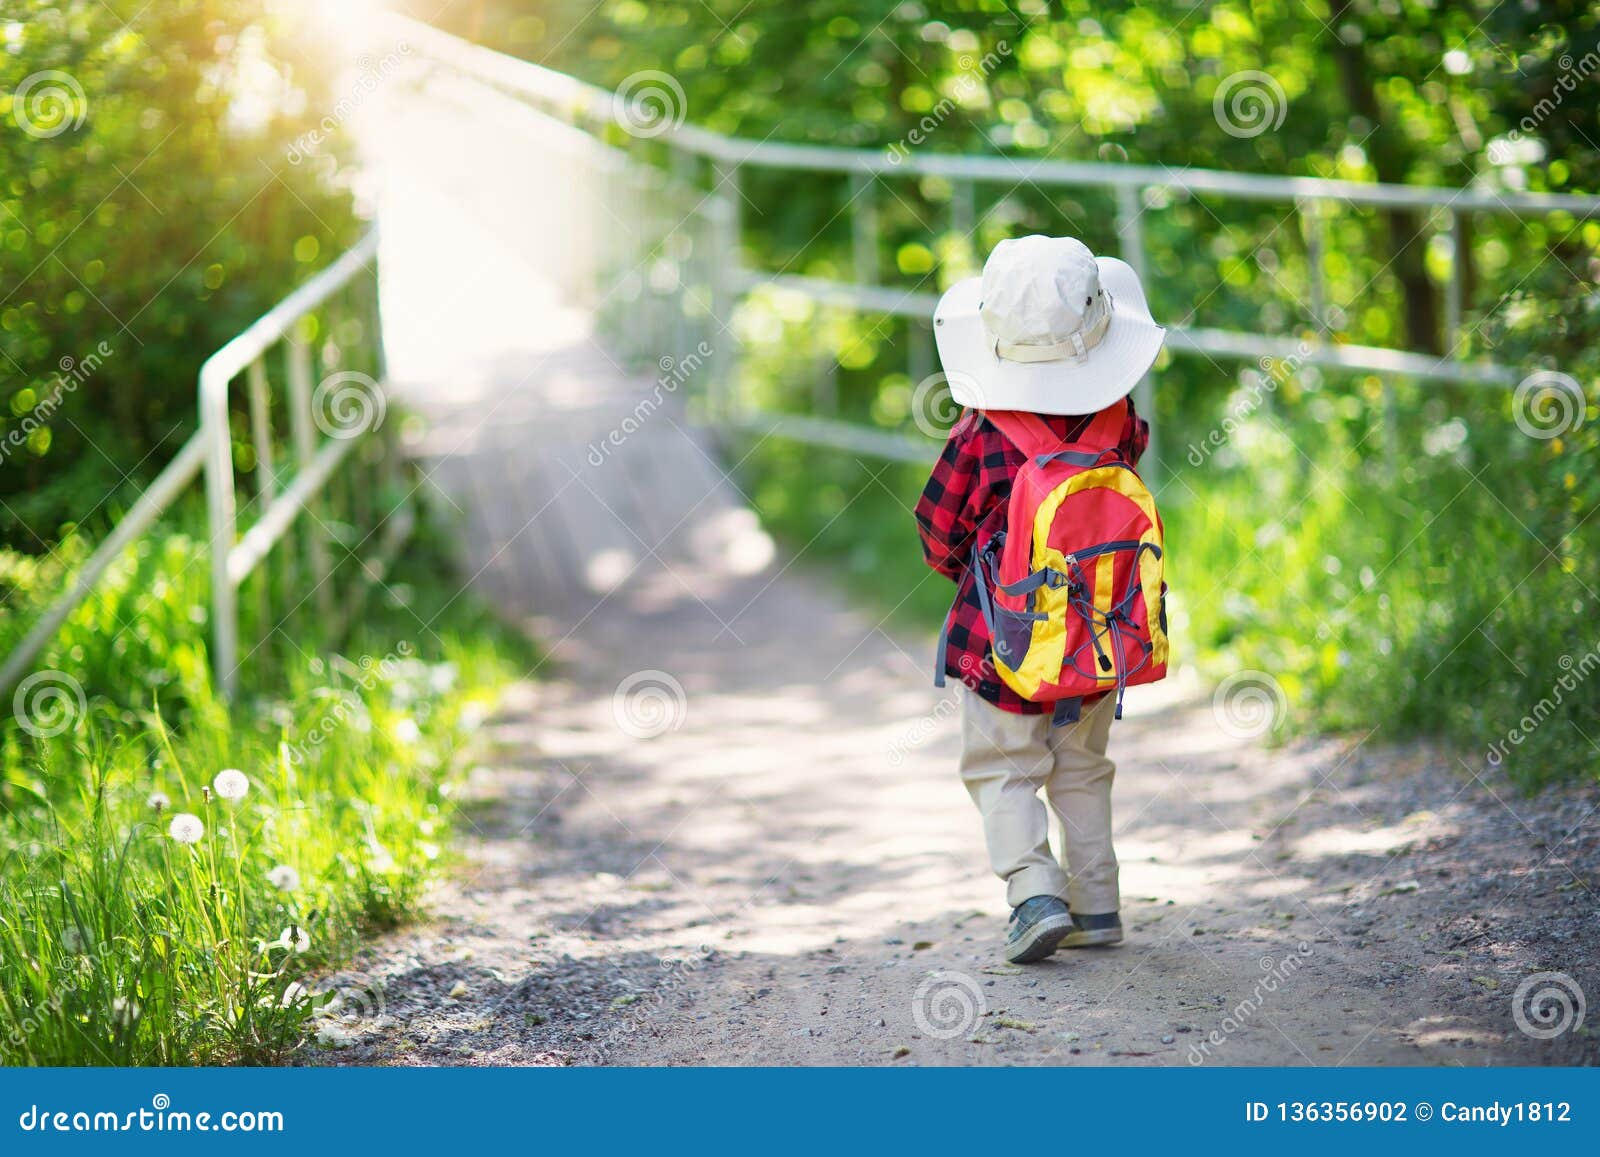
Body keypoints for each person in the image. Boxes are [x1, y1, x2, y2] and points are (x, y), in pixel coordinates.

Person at [914, 235, 1165, 963]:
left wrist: (982, 570)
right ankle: (1097, 903)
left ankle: (1034, 894)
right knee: (1083, 768)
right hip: (1099, 633)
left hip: (1004, 642)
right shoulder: (1119, 420)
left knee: (1005, 767)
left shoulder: (981, 434)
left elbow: (938, 531)